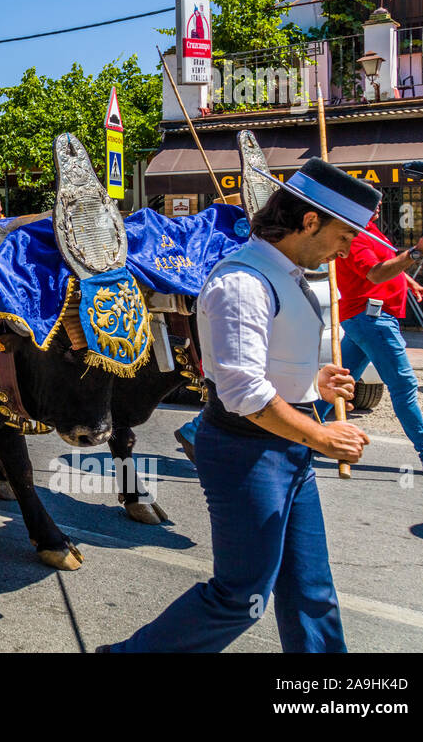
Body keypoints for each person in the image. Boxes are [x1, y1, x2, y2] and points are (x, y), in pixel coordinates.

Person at [103, 159, 373, 653]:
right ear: (309, 221)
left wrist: (313, 381)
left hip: (288, 450)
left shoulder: (286, 274)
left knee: (311, 590)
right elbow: (244, 391)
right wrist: (323, 436)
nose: (347, 249)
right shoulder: (243, 283)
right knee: (239, 595)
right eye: (345, 234)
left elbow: (265, 365)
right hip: (248, 453)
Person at [312, 204, 423, 478]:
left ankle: (305, 434)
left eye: (378, 199)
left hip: (367, 318)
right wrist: (416, 253)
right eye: (370, 200)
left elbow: (388, 263)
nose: (378, 204)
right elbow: (375, 272)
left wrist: (409, 283)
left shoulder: (370, 229)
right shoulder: (352, 235)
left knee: (342, 380)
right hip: (371, 318)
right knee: (403, 385)